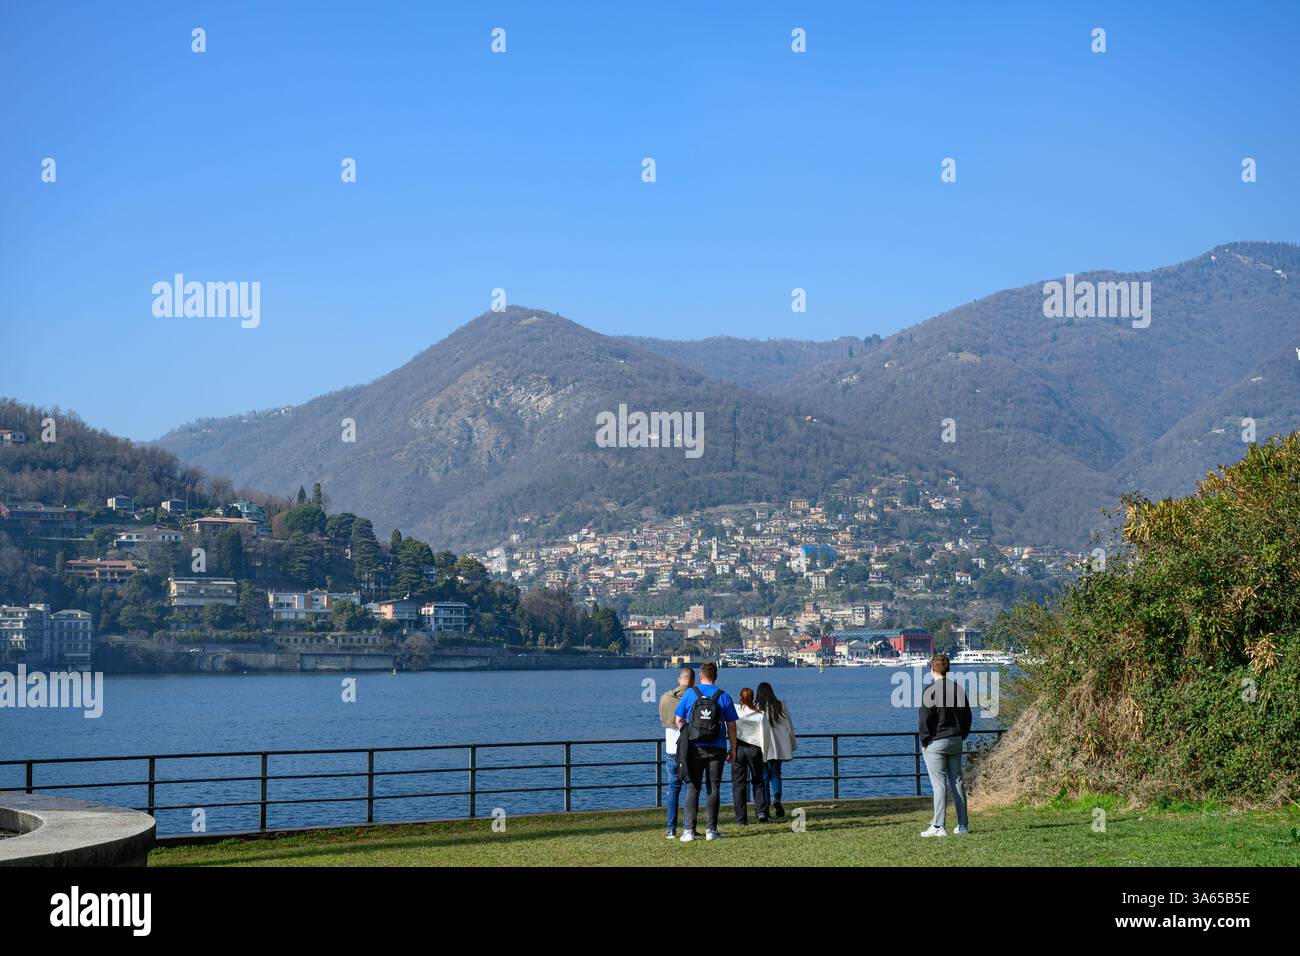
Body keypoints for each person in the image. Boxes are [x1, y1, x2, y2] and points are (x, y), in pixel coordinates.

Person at [674, 661, 738, 842]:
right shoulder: (723, 696)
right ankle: (711, 830)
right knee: (713, 788)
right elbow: (732, 725)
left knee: (693, 788)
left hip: (695, 748)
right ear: (715, 676)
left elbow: (679, 719)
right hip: (717, 748)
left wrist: (687, 733)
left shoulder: (690, 694)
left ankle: (689, 831)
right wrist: (732, 748)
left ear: (700, 676)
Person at [918, 653, 972, 837]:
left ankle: (938, 826)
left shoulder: (929, 691)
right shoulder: (958, 689)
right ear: (947, 669)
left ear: (932, 669)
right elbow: (967, 717)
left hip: (936, 742)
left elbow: (925, 720)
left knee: (938, 785)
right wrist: (961, 735)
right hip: (956, 740)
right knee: (957, 782)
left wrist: (924, 741)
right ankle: (962, 825)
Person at [658, 666, 710, 838]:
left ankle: (670, 829)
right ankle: (689, 828)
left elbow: (665, 720)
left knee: (673, 788)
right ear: (693, 681)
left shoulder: (665, 698)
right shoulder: (695, 697)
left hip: (671, 748)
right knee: (692, 788)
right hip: (690, 748)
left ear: (679, 679)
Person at [755, 681, 796, 818]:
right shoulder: (779, 705)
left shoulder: (756, 707)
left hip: (762, 748)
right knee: (776, 774)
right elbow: (789, 726)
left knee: (764, 777)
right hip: (778, 748)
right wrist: (792, 744)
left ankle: (765, 807)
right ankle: (777, 799)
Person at [732, 687, 771, 824]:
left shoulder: (736, 710)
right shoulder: (760, 714)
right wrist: (765, 755)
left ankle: (741, 818)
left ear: (740, 697)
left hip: (738, 747)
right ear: (753, 698)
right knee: (758, 782)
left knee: (738, 784)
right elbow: (765, 736)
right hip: (755, 749)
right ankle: (761, 812)